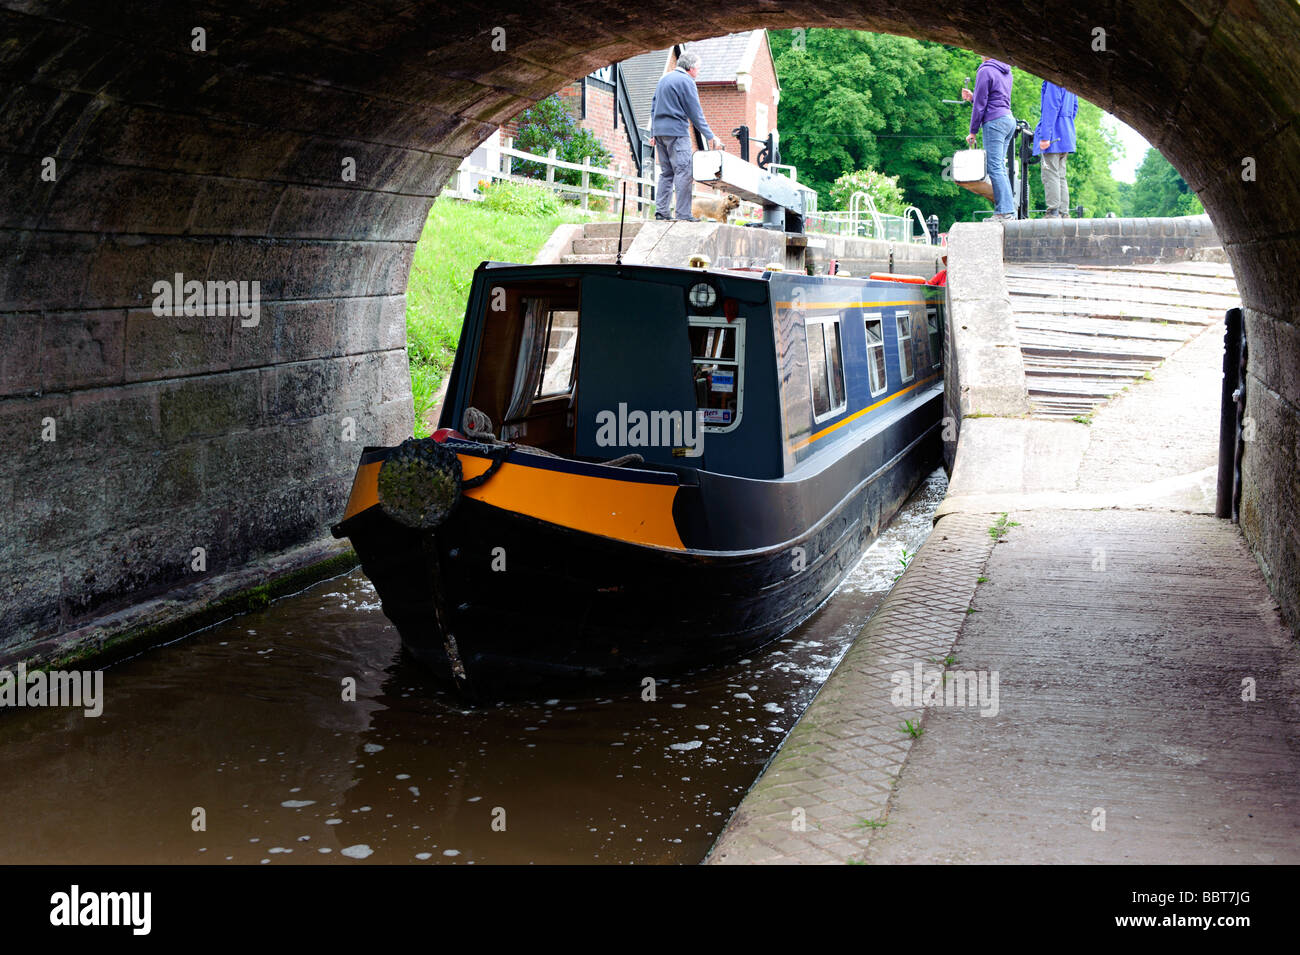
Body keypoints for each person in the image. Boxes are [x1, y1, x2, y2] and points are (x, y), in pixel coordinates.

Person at [648, 50, 721, 221]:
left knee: (666, 173)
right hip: (677, 134)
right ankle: (683, 214)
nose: (699, 72)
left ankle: (661, 212)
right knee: (683, 172)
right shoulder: (686, 81)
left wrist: (652, 133)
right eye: (698, 68)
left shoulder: (664, 79)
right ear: (690, 68)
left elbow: (653, 106)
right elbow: (695, 112)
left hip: (659, 133)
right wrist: (710, 135)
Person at [961, 56, 1016, 221]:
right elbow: (993, 99)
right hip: (1008, 119)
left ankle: (1004, 212)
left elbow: (981, 105)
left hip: (994, 122)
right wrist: (973, 97)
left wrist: (973, 131)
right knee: (999, 166)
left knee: (995, 167)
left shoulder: (985, 70)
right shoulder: (1006, 70)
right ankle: (1007, 210)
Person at [1032, 80, 1079, 218]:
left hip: (1053, 133)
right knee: (1061, 175)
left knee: (1050, 173)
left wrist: (1045, 136)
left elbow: (1050, 107)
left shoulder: (1053, 80)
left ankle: (1053, 211)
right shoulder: (1070, 80)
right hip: (1067, 131)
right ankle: (1064, 212)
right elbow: (1075, 107)